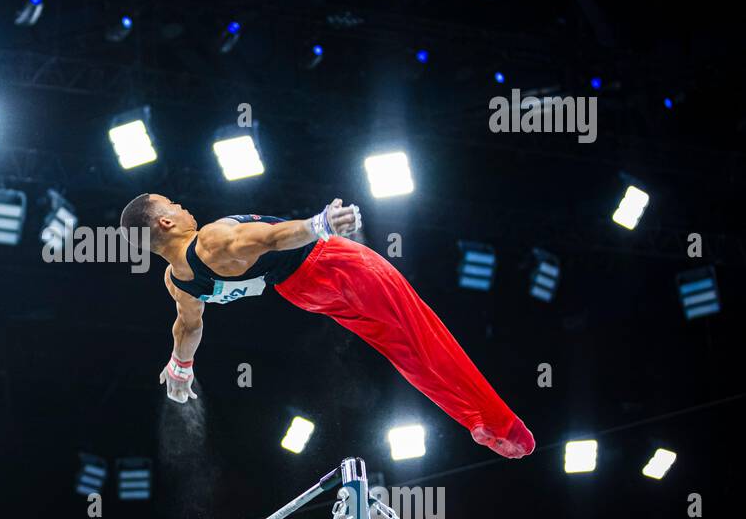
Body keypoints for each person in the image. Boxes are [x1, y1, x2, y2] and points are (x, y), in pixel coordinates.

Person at [118, 193, 534, 458]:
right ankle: (503, 425)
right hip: (334, 265)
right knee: (422, 332)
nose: (182, 206)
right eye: (172, 204)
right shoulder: (209, 240)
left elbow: (188, 329)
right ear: (165, 223)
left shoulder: (177, 281)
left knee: (402, 350)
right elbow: (270, 238)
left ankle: (476, 420)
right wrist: (319, 225)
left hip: (305, 295)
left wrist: (180, 368)